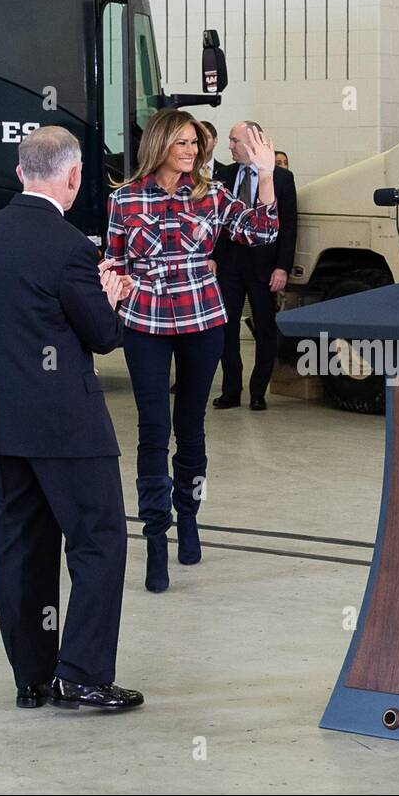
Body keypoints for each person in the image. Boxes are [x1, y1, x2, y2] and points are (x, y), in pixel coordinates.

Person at [0, 126, 143, 712]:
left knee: (20, 544)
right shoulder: (69, 245)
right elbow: (101, 335)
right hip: (65, 422)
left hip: (1, 418)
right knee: (98, 540)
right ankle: (83, 674)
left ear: (21, 172)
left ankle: (32, 677)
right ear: (72, 177)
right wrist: (110, 298)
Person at [105, 109, 277, 592]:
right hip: (145, 323)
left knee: (192, 429)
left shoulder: (214, 195)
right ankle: (155, 538)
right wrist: (110, 298)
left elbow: (261, 233)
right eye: (181, 142)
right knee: (153, 431)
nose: (192, 151)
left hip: (203, 320)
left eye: (196, 144)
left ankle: (190, 519)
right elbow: (115, 261)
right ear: (158, 144)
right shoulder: (125, 198)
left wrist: (265, 177)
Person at [213, 121, 297, 411]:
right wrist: (212, 257)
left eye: (235, 141)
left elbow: (288, 227)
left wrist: (282, 267)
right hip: (229, 264)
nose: (231, 146)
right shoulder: (224, 175)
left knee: (264, 328)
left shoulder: (281, 178)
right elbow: (217, 223)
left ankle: (258, 391)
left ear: (252, 142)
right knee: (226, 327)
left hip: (264, 264)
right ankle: (231, 390)